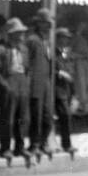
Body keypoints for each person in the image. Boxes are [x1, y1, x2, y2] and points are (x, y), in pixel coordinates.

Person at [0, 18, 31, 165]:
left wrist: (26, 84)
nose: (21, 36)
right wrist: (5, 85)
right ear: (10, 34)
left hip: (22, 85)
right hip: (9, 84)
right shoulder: (0, 50)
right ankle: (5, 148)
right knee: (8, 119)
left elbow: (27, 69)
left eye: (22, 33)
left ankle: (20, 147)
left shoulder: (24, 50)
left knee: (23, 119)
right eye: (17, 33)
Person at [26, 9, 57, 159]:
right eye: (45, 23)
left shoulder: (47, 41)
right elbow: (27, 63)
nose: (48, 26)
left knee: (47, 115)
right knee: (36, 115)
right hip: (35, 82)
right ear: (38, 24)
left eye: (49, 23)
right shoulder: (33, 40)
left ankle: (44, 142)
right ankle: (35, 144)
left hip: (46, 82)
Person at [51, 26, 77, 157]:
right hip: (56, 89)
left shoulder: (67, 54)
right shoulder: (52, 53)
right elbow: (49, 70)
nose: (64, 41)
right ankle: (66, 144)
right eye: (62, 38)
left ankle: (65, 144)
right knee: (64, 115)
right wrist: (59, 73)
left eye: (66, 38)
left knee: (66, 116)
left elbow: (72, 71)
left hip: (67, 89)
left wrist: (74, 92)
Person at [71, 21, 88, 118]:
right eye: (81, 25)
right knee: (79, 86)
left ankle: (86, 109)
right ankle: (77, 109)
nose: (83, 27)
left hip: (86, 65)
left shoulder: (87, 38)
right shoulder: (73, 38)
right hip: (78, 64)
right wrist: (80, 56)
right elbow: (69, 52)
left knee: (87, 85)